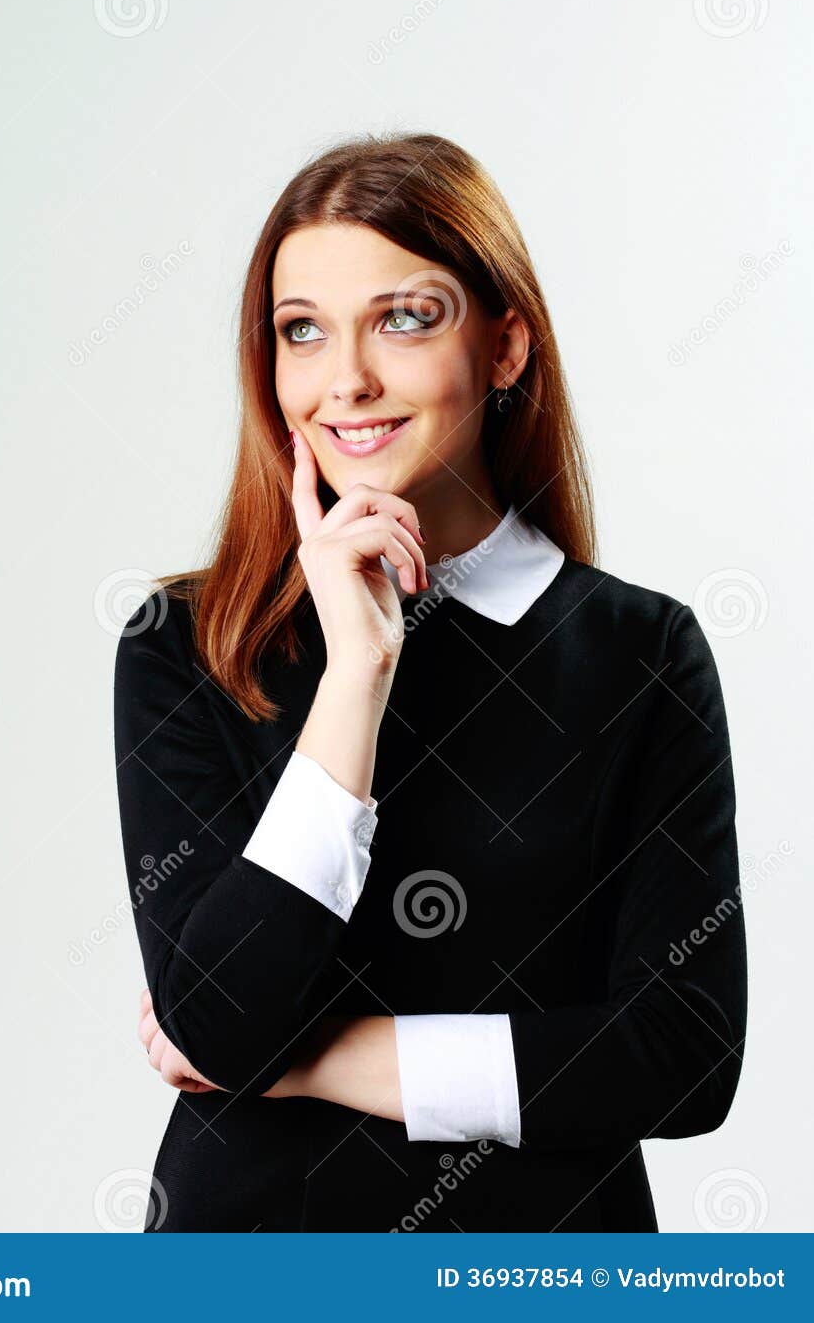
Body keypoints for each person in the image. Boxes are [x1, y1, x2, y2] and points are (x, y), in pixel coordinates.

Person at [113, 132, 746, 1232]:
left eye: (403, 318)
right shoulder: (186, 640)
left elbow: (681, 1055)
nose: (345, 378)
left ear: (505, 346)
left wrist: (319, 1059)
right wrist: (354, 671)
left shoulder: (638, 652)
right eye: (301, 330)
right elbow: (219, 1015)